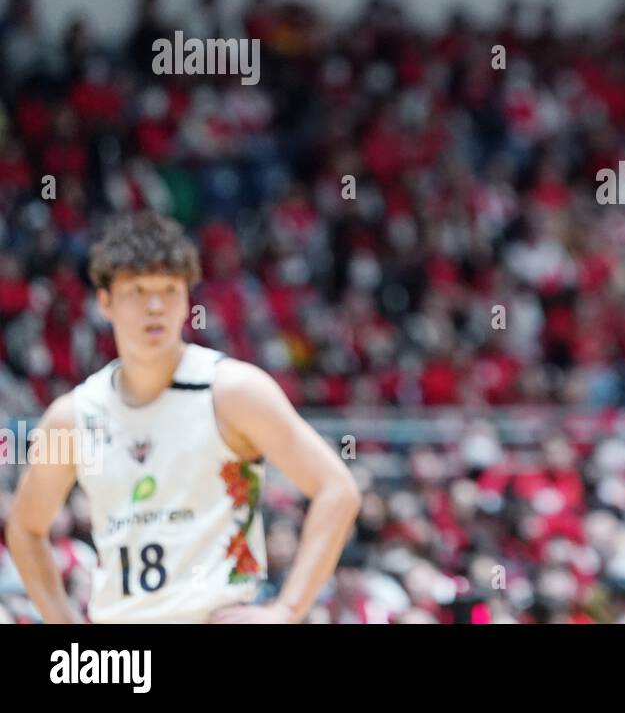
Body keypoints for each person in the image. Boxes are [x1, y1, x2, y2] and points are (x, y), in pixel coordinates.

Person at [5, 211, 361, 622]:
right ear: (105, 302)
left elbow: (338, 489)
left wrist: (286, 609)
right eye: (137, 290)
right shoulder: (71, 417)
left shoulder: (232, 391)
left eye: (169, 290)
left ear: (187, 299)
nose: (154, 306)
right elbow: (25, 529)